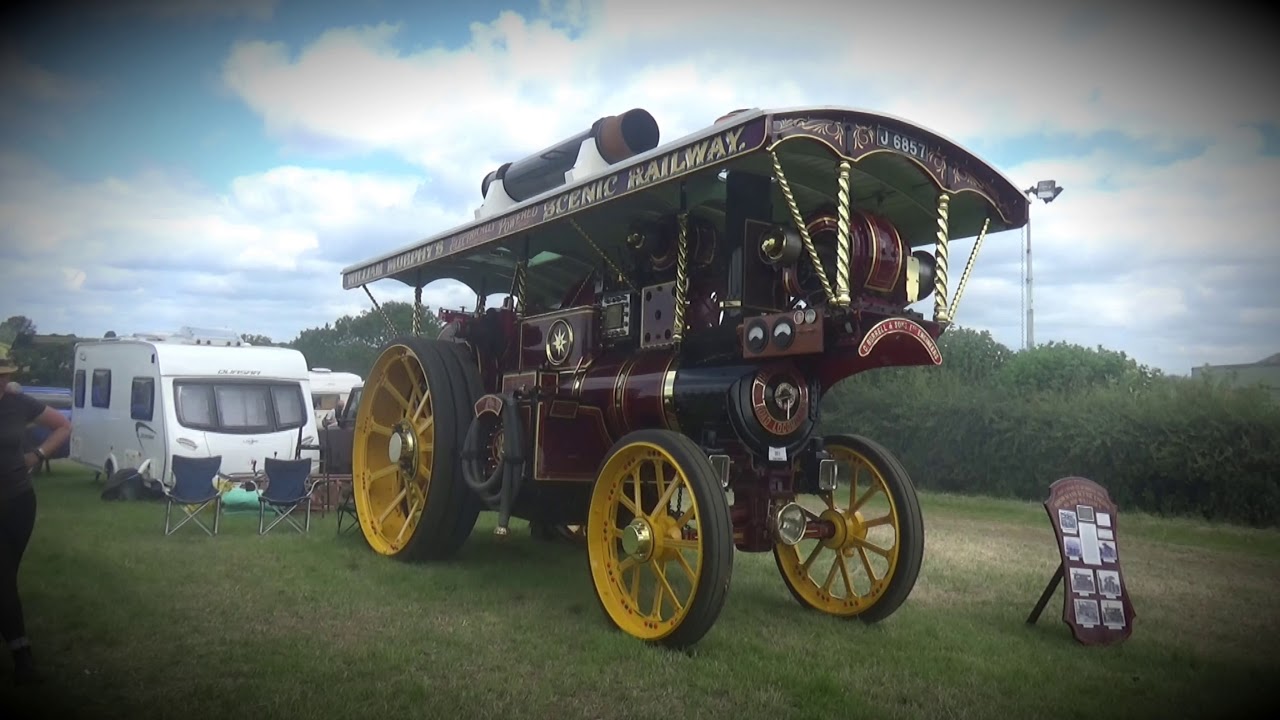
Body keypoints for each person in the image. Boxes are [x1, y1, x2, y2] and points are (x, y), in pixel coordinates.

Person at [0, 353, 71, 685]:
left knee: (5, 575)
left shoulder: (19, 403)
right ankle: (22, 655)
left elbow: (63, 425)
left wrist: (38, 454)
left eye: (4, 375)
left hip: (17, 502)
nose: (2, 381)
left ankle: (19, 650)